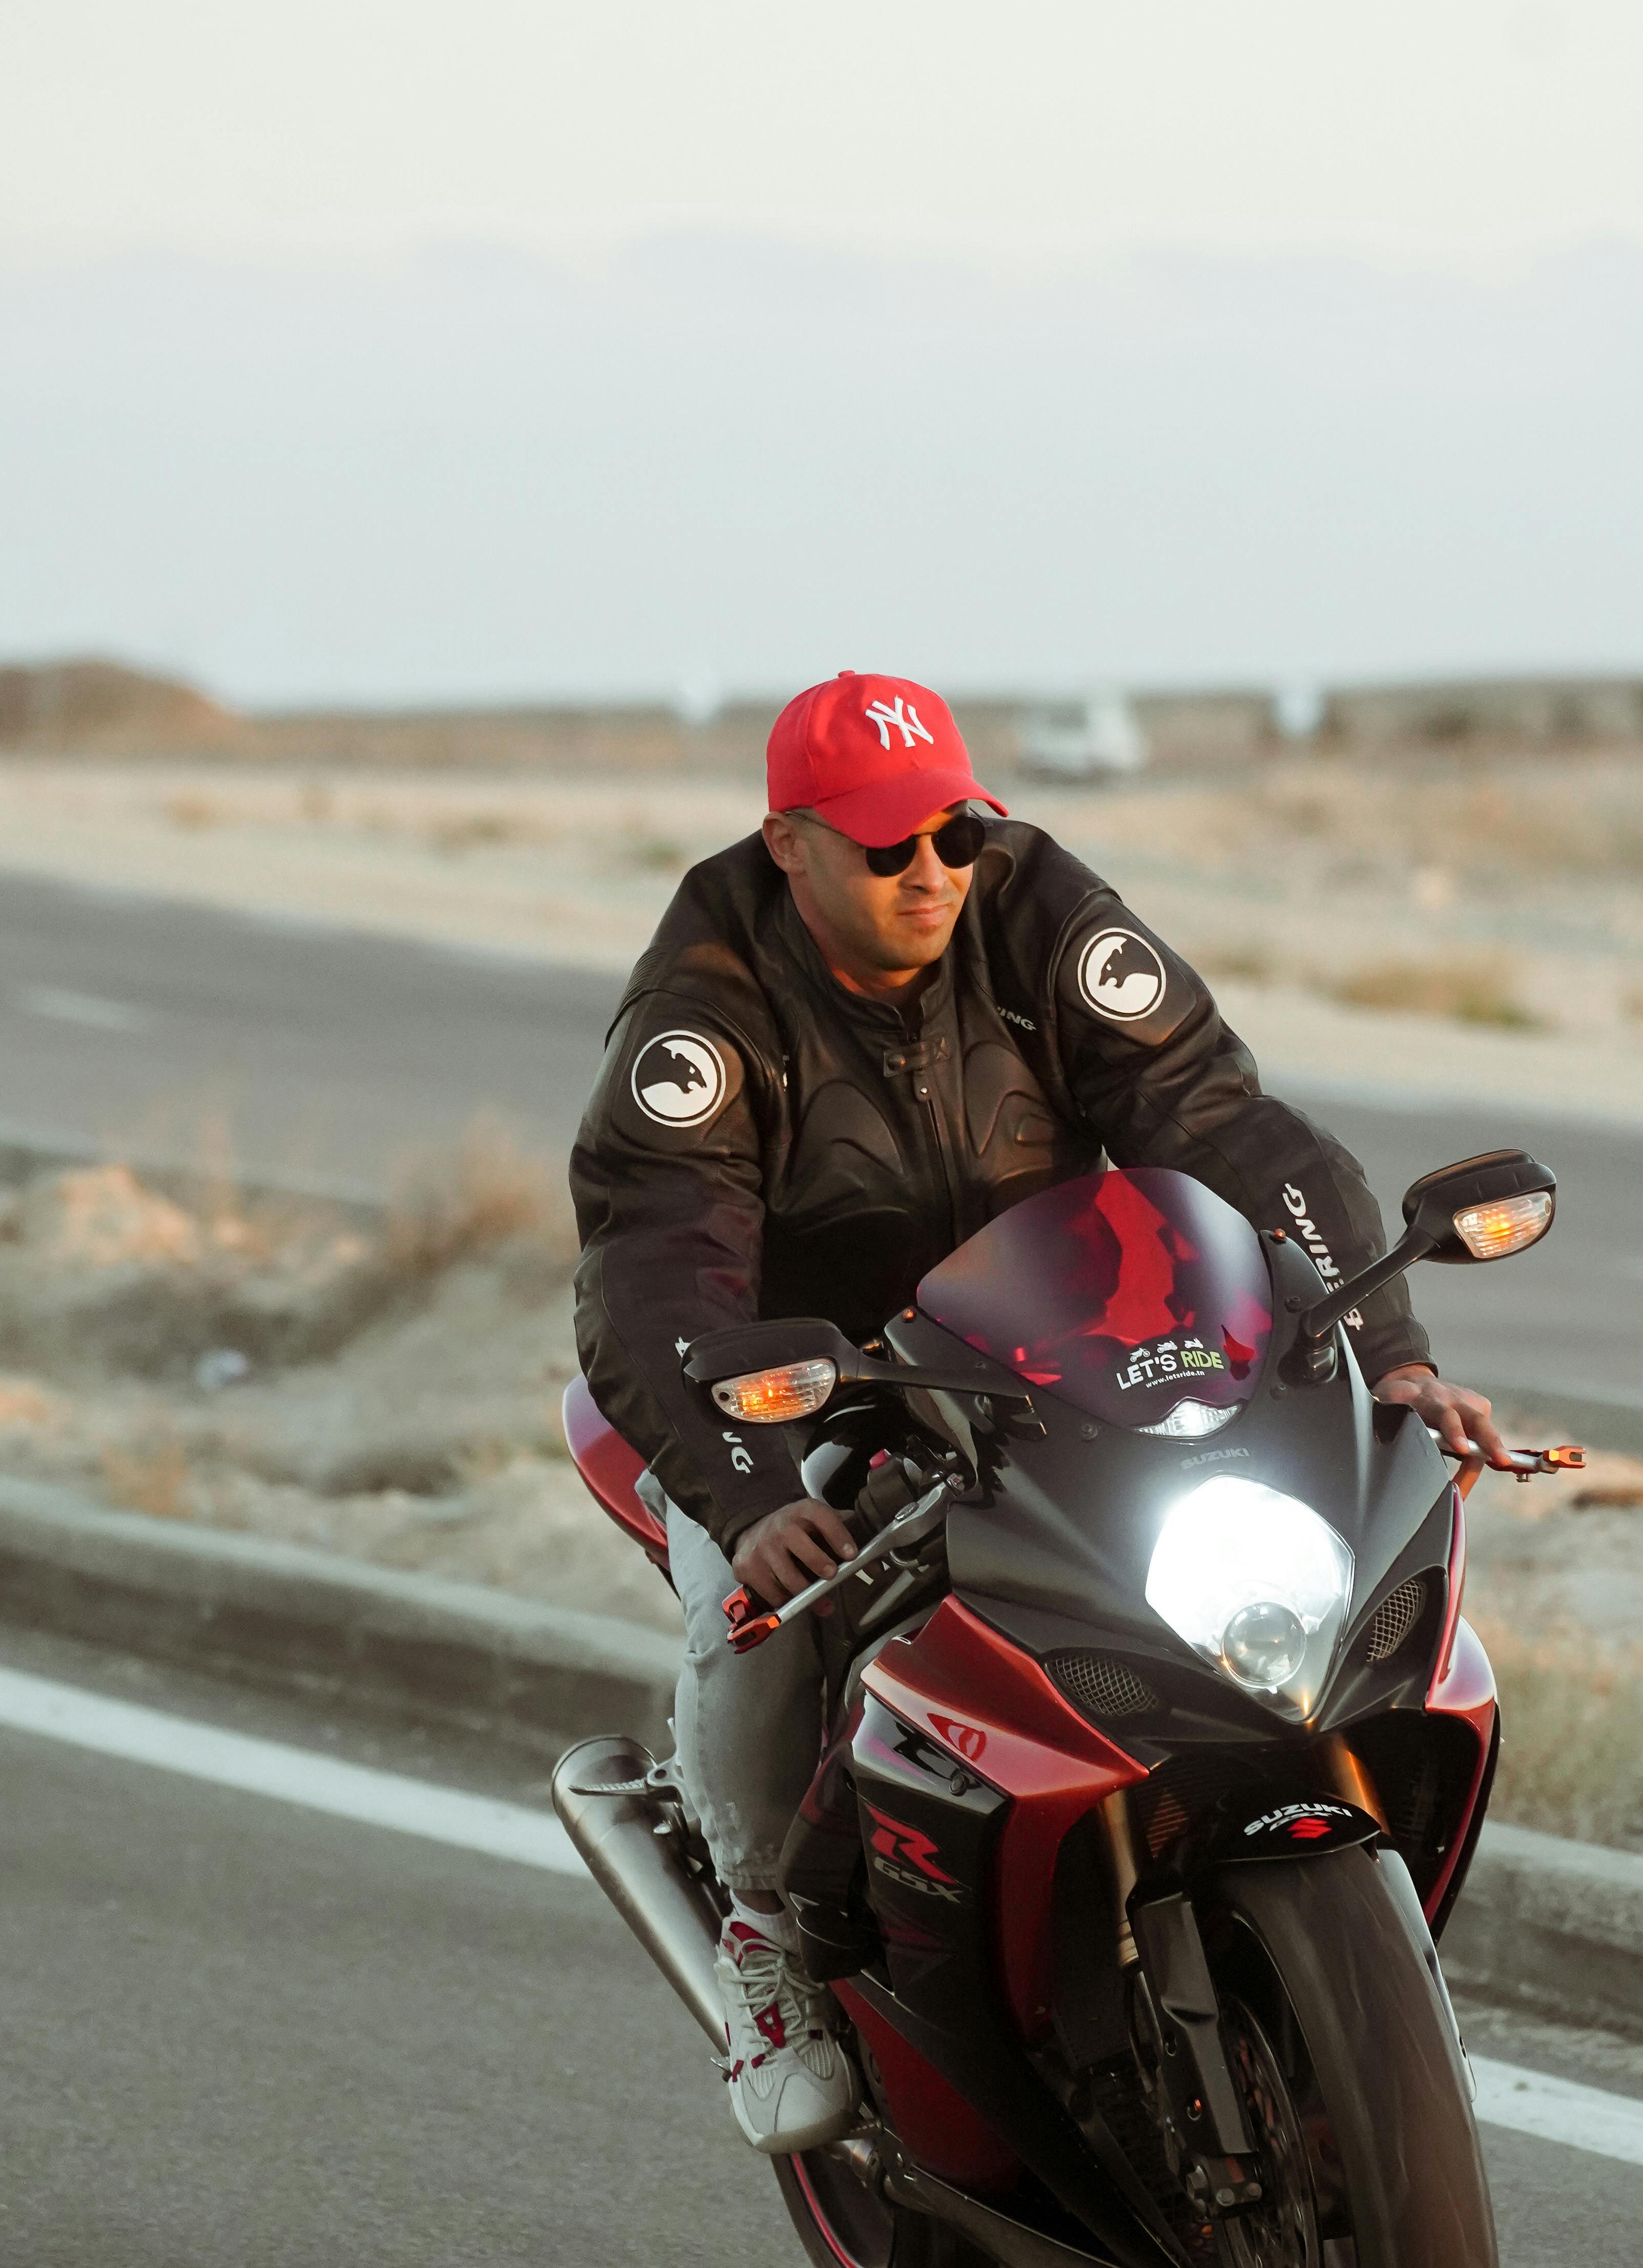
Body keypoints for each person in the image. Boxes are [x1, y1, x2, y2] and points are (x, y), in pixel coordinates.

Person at [570, 671, 1506, 2153]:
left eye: (951, 831)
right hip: (818, 1375)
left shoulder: (1034, 910)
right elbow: (657, 1259)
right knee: (771, 1611)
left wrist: (1388, 1350)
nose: (931, 872)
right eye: (887, 849)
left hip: (1068, 1337)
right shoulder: (706, 1009)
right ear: (790, 844)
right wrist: (747, 1493)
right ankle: (764, 1940)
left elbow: (1216, 1118)